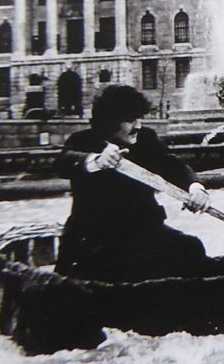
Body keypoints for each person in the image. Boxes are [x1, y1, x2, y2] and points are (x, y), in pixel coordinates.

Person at [52, 84, 213, 282]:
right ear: (109, 121)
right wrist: (97, 161)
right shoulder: (83, 141)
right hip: (95, 240)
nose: (137, 125)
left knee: (191, 247)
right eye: (130, 120)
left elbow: (171, 165)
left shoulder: (146, 138)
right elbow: (63, 162)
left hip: (144, 233)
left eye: (139, 118)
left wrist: (196, 188)